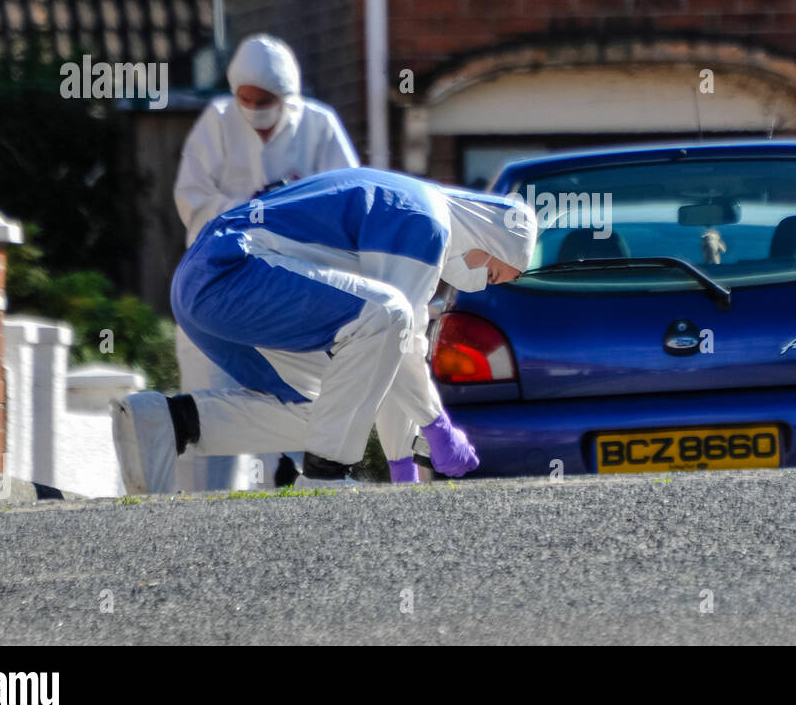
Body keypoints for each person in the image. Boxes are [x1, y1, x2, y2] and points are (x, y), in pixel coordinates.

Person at [111, 167, 537, 494]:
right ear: (495, 238)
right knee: (389, 316)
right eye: (495, 271)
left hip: (205, 286)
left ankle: (168, 421)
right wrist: (437, 425)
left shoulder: (417, 209)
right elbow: (400, 337)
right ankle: (327, 475)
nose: (482, 278)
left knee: (328, 406)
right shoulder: (424, 220)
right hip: (230, 273)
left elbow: (388, 362)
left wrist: (401, 464)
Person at [172, 33, 360, 492]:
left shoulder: (319, 127)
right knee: (208, 400)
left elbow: (353, 201)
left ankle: (307, 495)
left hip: (293, 294)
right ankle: (198, 516)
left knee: (299, 402)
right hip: (220, 289)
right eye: (246, 99)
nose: (255, 109)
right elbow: (191, 199)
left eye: (266, 101)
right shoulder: (215, 122)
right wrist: (248, 208)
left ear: (288, 98)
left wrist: (291, 211)